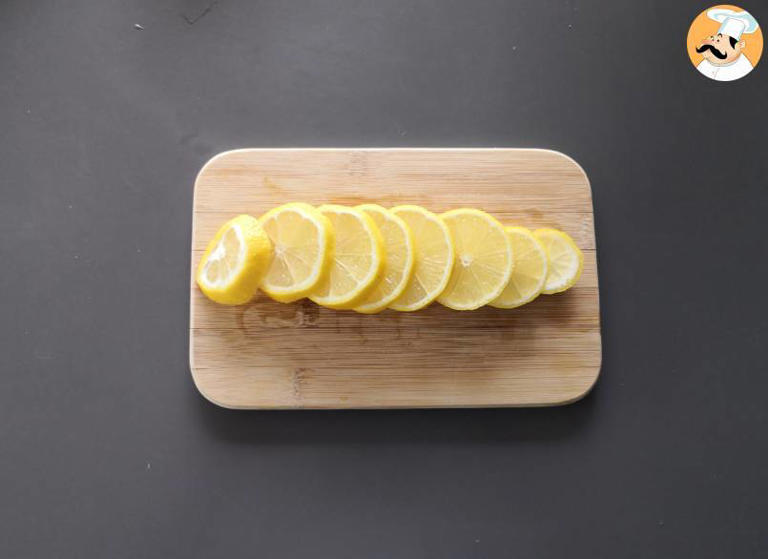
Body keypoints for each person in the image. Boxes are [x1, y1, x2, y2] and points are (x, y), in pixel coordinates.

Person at [695, 10, 759, 81]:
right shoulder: (705, 64)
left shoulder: (743, 69)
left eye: (718, 41)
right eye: (712, 38)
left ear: (739, 45)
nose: (711, 42)